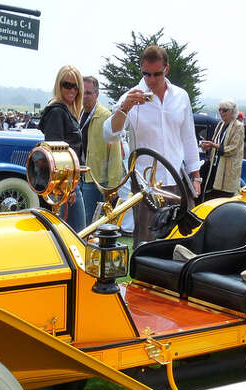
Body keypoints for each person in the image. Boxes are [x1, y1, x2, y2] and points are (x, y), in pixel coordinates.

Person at [105, 44, 201, 246]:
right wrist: (125, 108)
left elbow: (188, 137)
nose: (151, 80)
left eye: (157, 74)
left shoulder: (181, 96)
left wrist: (196, 176)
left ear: (166, 69)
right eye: (146, 74)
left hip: (177, 179)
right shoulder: (130, 97)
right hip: (145, 184)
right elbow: (110, 135)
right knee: (147, 243)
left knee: (185, 239)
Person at [39, 65, 87, 231]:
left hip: (70, 184)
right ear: (59, 86)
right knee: (77, 235)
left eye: (76, 86)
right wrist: (68, 188)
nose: (72, 90)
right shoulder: (57, 112)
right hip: (65, 186)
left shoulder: (66, 111)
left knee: (72, 235)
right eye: (67, 85)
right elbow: (56, 154)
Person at [78, 75, 125, 223]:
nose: (84, 96)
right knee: (81, 221)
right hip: (79, 176)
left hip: (97, 180)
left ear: (97, 94)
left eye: (89, 93)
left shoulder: (105, 116)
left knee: (91, 222)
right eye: (82, 91)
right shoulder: (78, 113)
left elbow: (115, 152)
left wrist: (113, 186)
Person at [201, 99, 244, 199]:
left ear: (232, 111)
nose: (221, 112)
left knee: (224, 196)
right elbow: (215, 142)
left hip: (228, 168)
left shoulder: (238, 126)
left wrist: (214, 145)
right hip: (215, 166)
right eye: (219, 109)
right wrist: (208, 147)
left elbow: (233, 148)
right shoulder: (220, 124)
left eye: (224, 110)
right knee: (208, 192)